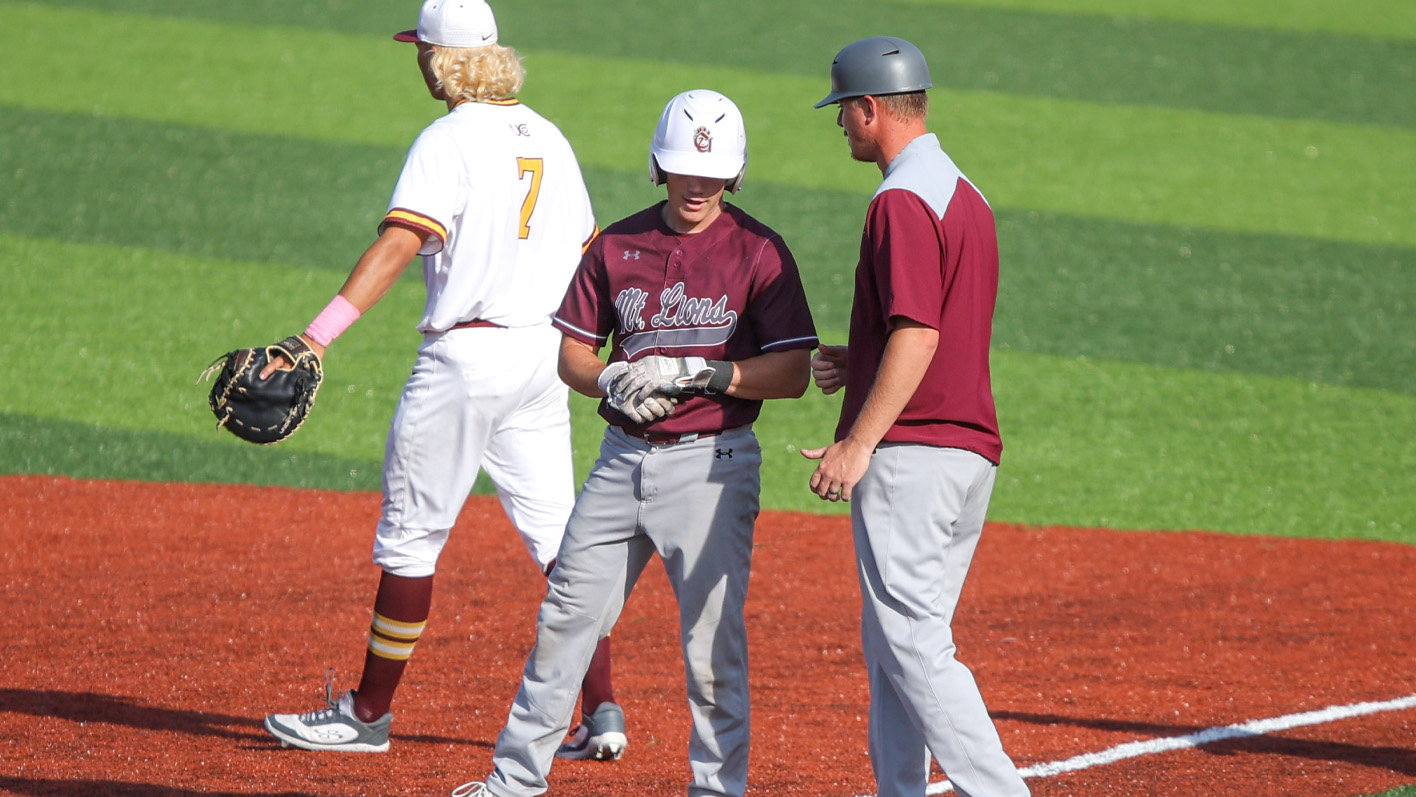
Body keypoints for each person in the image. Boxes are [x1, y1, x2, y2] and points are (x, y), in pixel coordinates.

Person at [261, 0, 622, 755]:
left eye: (420, 52)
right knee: (561, 540)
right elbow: (592, 255)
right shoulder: (549, 137)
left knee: (411, 541)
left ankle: (367, 715)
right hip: (542, 359)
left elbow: (401, 244)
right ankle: (604, 712)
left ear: (439, 60)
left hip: (465, 364)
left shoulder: (447, 139)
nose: (419, 64)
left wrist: (315, 336)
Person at [451, 88, 818, 797]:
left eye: (712, 174)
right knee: (566, 618)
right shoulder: (617, 245)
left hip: (713, 467)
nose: (697, 185)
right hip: (620, 464)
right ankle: (516, 778)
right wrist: (611, 377)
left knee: (711, 647)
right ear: (658, 164)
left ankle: (717, 790)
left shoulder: (760, 251)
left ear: (735, 174)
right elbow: (574, 355)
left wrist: (704, 371)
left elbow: (793, 372)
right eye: (684, 169)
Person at [801, 37, 1030, 797]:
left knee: (914, 642)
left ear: (872, 108)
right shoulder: (965, 193)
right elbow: (940, 324)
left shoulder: (899, 200)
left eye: (844, 110)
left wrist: (857, 441)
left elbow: (920, 332)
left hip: (912, 453)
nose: (840, 124)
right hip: (965, 454)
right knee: (895, 647)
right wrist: (861, 358)